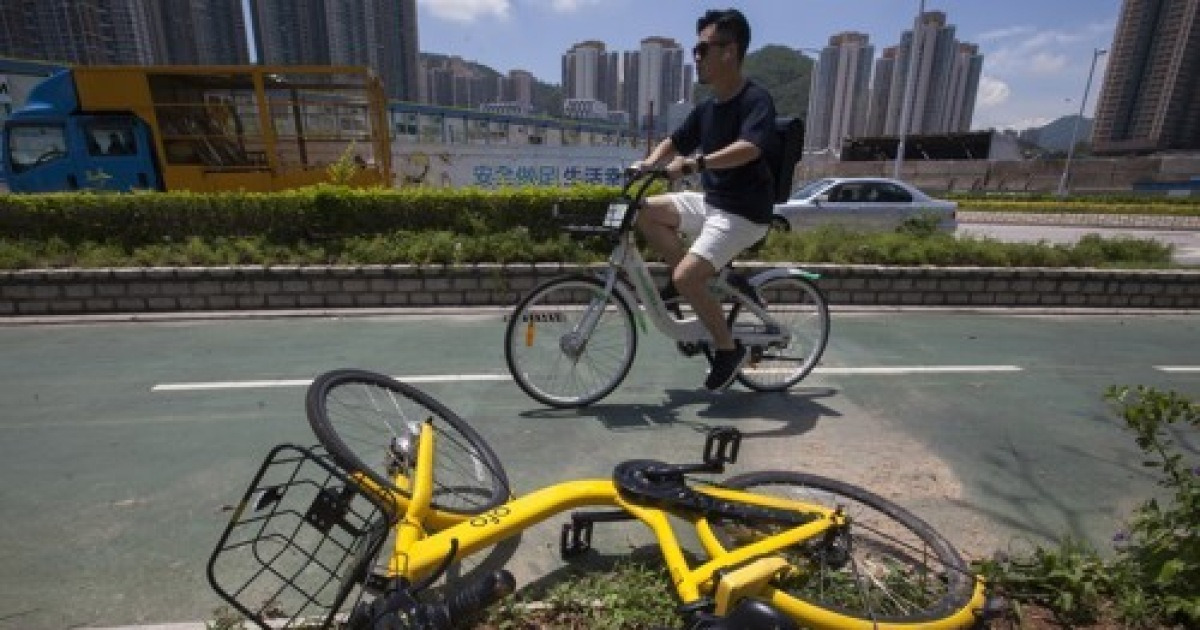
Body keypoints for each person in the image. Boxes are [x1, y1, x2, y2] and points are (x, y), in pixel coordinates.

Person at [632, 8, 779, 391]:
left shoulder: (755, 100)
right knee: (644, 213)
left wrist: (695, 163)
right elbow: (676, 141)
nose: (695, 57)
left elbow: (749, 148)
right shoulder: (707, 107)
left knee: (684, 277)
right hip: (713, 202)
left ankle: (728, 350)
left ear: (729, 51)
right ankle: (700, 287)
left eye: (702, 49)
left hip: (744, 213)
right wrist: (647, 165)